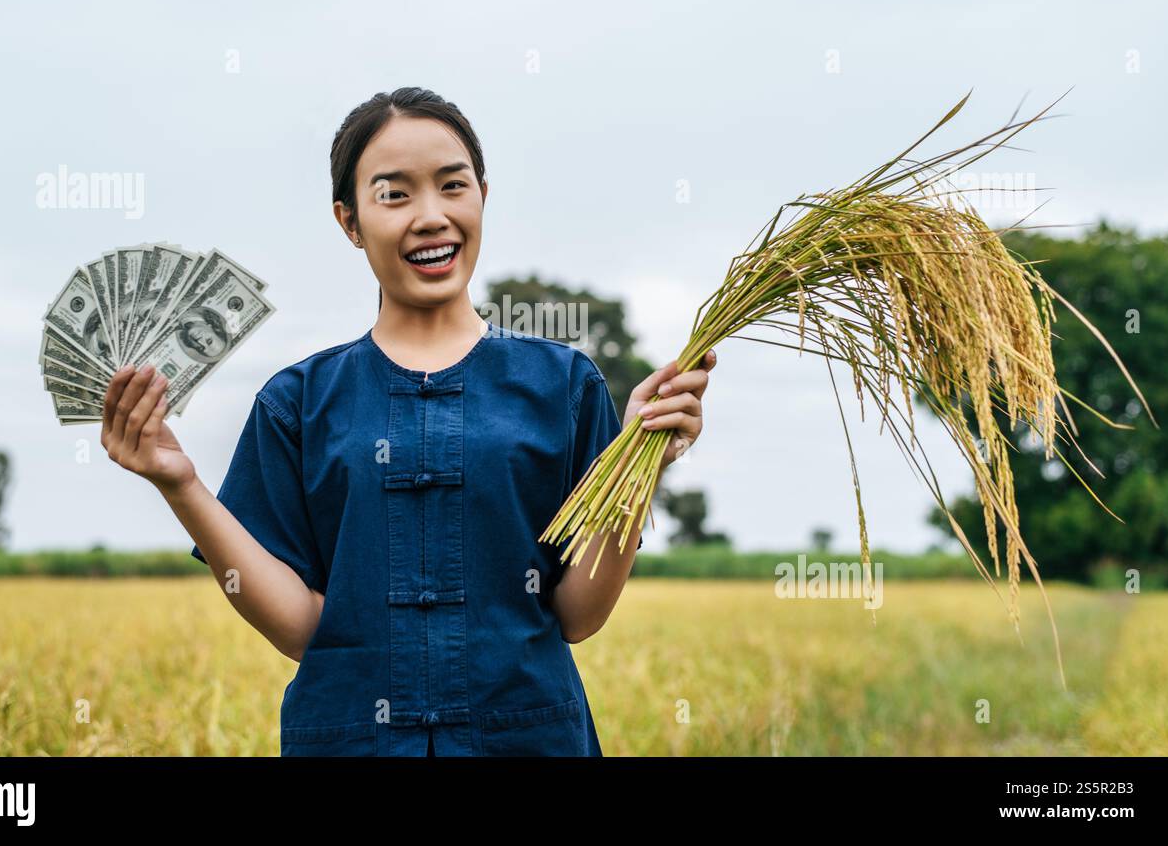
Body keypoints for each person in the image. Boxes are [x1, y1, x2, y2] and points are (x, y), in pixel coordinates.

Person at [99, 86, 716, 756]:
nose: (431, 216)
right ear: (350, 220)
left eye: (453, 186)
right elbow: (302, 628)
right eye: (394, 194)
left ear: (483, 194)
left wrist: (638, 460)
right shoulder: (297, 402)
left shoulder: (563, 387)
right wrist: (181, 485)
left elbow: (577, 615)